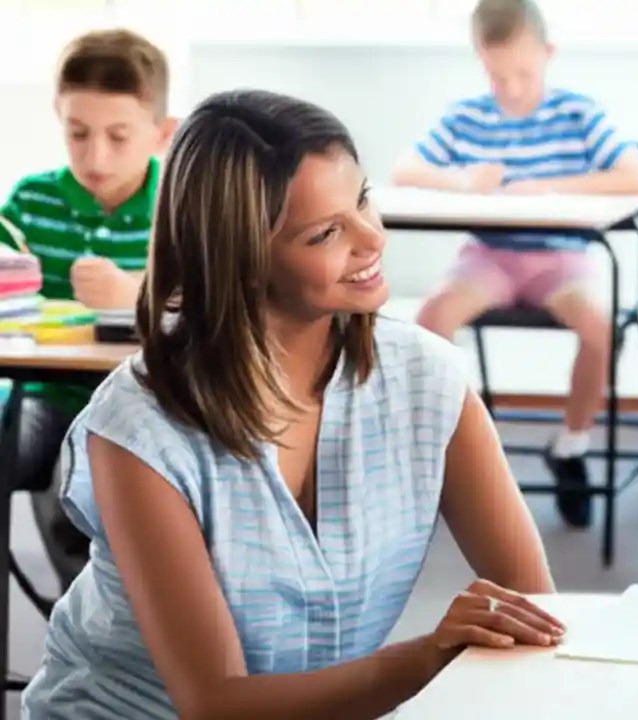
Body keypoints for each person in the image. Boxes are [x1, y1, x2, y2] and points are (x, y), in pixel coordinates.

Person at [22, 89, 562, 719]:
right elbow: (215, 705)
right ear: (242, 261)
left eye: (362, 200)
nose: (371, 238)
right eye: (326, 232)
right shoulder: (139, 427)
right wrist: (430, 656)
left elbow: (541, 609)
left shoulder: (429, 381)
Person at [391, 0, 638, 529]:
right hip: (491, 256)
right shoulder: (468, 116)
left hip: (561, 259)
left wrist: (551, 186)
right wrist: (463, 181)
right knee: (432, 319)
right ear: (479, 59)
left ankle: (572, 447)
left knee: (599, 328)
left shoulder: (576, 112)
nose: (510, 87)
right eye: (495, 73)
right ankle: (452, 446)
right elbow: (405, 169)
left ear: (547, 54)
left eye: (522, 73)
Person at [0, 28, 174, 591]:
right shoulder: (32, 201)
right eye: (77, 134)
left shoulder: (179, 206)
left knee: (78, 482)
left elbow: (216, 306)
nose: (95, 157)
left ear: (160, 133)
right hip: (41, 397)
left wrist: (135, 295)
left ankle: (94, 633)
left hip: (143, 404)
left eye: (119, 136)